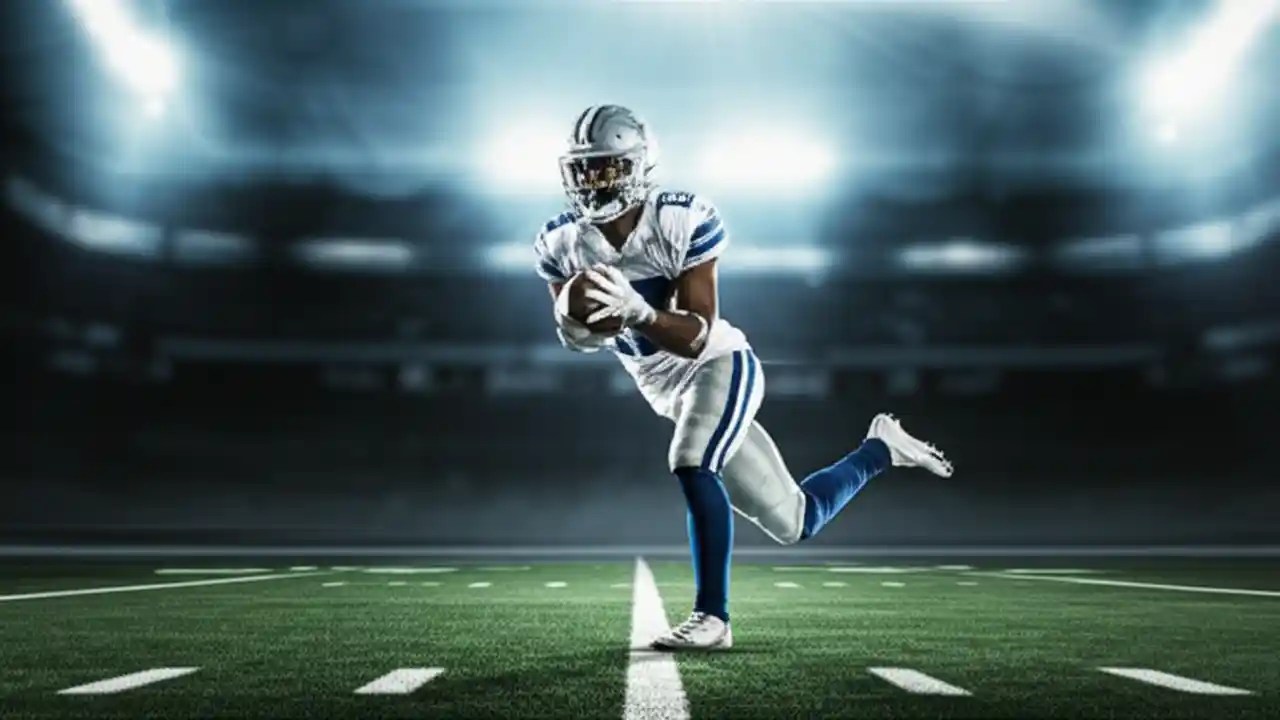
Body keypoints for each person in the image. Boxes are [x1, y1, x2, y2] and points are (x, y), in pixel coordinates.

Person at [534, 104, 953, 650]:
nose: (593, 182)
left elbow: (698, 335)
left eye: (606, 166)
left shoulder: (678, 217)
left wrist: (638, 312)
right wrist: (574, 325)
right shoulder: (561, 242)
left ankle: (714, 619)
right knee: (794, 520)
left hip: (718, 365)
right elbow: (576, 337)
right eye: (583, 169)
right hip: (667, 392)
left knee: (690, 460)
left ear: (638, 164)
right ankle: (881, 450)